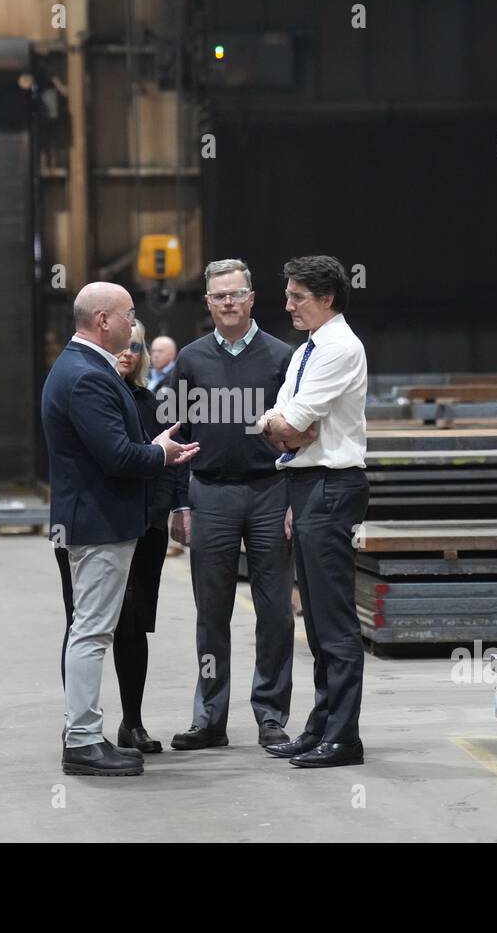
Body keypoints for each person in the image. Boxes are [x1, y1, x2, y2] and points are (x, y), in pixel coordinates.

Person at [41, 282, 199, 777]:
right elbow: (115, 456)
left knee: (90, 630)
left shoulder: (80, 368)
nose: (135, 326)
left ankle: (84, 733)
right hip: (98, 523)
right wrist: (161, 454)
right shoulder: (87, 376)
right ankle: (84, 741)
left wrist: (152, 443)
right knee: (91, 632)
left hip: (92, 520)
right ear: (103, 320)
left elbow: (109, 443)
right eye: (129, 315)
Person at [166, 258, 305, 751]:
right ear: (207, 304)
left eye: (236, 294)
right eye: (218, 296)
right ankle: (210, 719)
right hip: (210, 496)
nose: (228, 302)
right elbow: (175, 438)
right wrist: (180, 504)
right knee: (211, 614)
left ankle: (270, 715)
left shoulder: (283, 357)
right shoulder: (191, 360)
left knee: (275, 612)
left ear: (251, 298)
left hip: (271, 492)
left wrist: (294, 500)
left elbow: (302, 434)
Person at [257, 255, 369, 769]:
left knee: (335, 620)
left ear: (327, 298)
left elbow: (296, 419)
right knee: (317, 621)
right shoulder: (310, 350)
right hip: (306, 484)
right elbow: (280, 422)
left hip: (330, 485)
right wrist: (278, 426)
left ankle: (344, 736)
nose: (288, 304)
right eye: (288, 294)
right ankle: (322, 723)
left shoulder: (339, 348)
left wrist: (282, 425)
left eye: (298, 296)